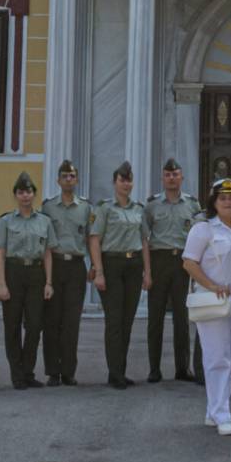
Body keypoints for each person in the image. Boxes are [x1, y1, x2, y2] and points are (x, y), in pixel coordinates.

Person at [183, 178, 231, 436]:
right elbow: (189, 263)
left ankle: (214, 410)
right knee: (217, 357)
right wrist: (212, 284)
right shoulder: (203, 229)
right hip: (214, 298)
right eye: (223, 197)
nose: (228, 201)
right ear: (214, 202)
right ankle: (222, 413)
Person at [0, 170, 56, 390]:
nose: (25, 196)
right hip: (13, 272)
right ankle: (17, 374)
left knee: (34, 325)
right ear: (15, 195)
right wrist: (1, 283)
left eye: (29, 191)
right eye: (21, 192)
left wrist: (49, 282)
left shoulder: (45, 222)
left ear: (34, 194)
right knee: (11, 325)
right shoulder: (5, 221)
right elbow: (0, 253)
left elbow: (48, 253)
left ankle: (28, 371)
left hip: (36, 274)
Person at [90, 160, 149, 388]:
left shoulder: (138, 209)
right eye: (122, 180)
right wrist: (99, 272)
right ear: (114, 183)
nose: (126, 184)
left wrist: (147, 272)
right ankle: (114, 373)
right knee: (114, 321)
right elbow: (95, 240)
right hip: (111, 265)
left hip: (133, 265)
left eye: (129, 180)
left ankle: (120, 371)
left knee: (127, 321)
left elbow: (144, 241)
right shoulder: (104, 208)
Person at [144, 157, 198, 383]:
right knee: (155, 317)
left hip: (182, 263)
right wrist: (147, 272)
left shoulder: (193, 205)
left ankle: (182, 368)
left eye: (175, 174)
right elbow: (145, 240)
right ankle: (154, 369)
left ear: (182, 177)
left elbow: (198, 238)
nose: (172, 178)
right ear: (162, 178)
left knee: (181, 318)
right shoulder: (152, 205)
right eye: (168, 175)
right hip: (158, 261)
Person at [42, 159, 93, 386]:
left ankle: (69, 371)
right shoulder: (48, 207)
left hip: (76, 267)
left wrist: (95, 266)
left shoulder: (86, 207)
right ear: (58, 180)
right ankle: (53, 370)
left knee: (72, 322)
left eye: (72, 176)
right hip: (55, 264)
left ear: (77, 179)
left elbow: (91, 239)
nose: (69, 180)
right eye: (65, 176)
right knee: (52, 321)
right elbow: (44, 243)